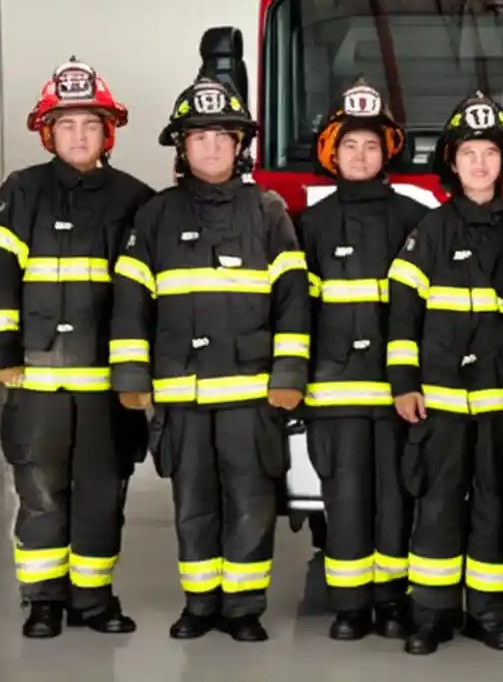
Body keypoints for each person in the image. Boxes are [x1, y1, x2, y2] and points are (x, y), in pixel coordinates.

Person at [110, 77, 310, 643]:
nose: (213, 147)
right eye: (200, 137)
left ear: (240, 144)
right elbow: (131, 301)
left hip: (252, 394)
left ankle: (243, 608)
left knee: (250, 501)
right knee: (193, 504)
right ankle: (200, 604)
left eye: (223, 136)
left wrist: (289, 374)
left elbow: (293, 300)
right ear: (182, 147)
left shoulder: (268, 212)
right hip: (181, 394)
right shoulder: (154, 216)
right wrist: (131, 375)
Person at [0, 57, 152, 638]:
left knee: (103, 492)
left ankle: (93, 599)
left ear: (108, 133)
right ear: (48, 132)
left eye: (90, 125)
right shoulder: (20, 192)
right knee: (42, 492)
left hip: (105, 382)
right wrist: (1, 356)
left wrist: (139, 372)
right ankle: (44, 600)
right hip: (37, 381)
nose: (79, 135)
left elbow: (148, 292)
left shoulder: (136, 199)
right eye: (67, 124)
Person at [388, 91, 503, 654]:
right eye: (469, 153)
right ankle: (431, 614)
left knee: (496, 504)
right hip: (441, 403)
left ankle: (490, 614)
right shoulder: (429, 232)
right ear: (452, 161)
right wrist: (404, 385)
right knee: (438, 504)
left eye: (490, 154)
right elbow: (403, 314)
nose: (479, 164)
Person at [298, 78, 426, 642]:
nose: (360, 155)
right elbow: (295, 311)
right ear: (331, 152)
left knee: (396, 501)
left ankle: (392, 601)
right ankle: (350, 605)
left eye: (371, 145)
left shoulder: (413, 217)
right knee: (343, 502)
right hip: (333, 396)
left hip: (398, 395)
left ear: (388, 151)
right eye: (349, 145)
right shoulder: (311, 224)